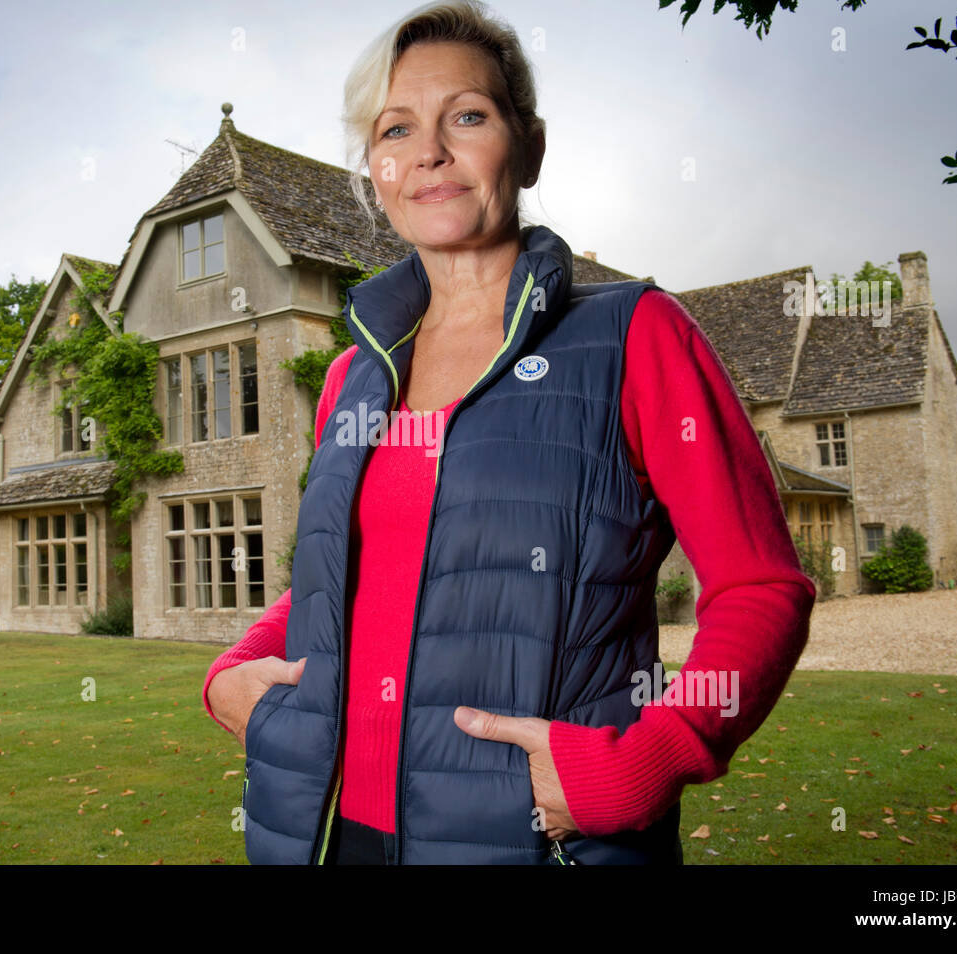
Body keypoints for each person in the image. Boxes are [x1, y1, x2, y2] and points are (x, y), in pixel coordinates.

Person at [204, 0, 816, 865]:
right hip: (339, 837)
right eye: (395, 129)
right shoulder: (354, 371)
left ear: (526, 144)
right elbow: (342, 587)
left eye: (467, 116)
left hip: (543, 844)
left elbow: (761, 586)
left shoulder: (635, 336)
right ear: (375, 166)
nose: (429, 153)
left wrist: (649, 759)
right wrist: (232, 670)